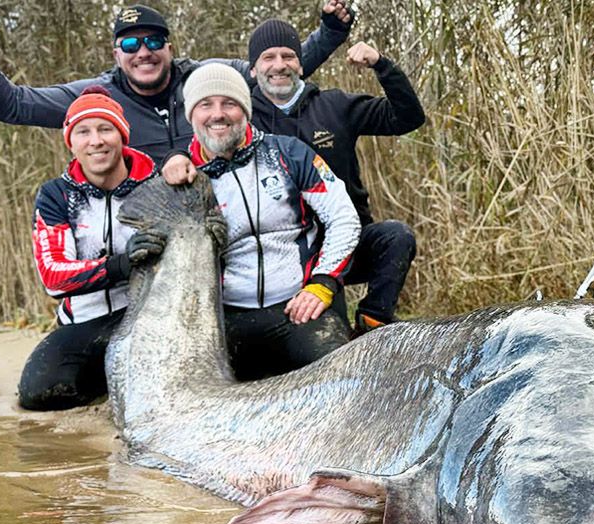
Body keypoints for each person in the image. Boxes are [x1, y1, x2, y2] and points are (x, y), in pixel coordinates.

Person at [166, 19, 425, 335]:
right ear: (252, 69)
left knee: (395, 236)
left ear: (301, 64)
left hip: (341, 237)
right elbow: (205, 132)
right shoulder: (240, 116)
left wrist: (382, 65)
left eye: (288, 56)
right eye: (268, 57)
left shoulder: (335, 105)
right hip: (286, 251)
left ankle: (373, 322)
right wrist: (176, 155)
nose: (279, 65)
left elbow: (408, 117)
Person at [0, 3, 355, 163]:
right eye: (130, 43)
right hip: (144, 228)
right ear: (117, 54)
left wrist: (331, 31)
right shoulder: (98, 95)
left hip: (220, 218)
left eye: (153, 41)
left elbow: (274, 72)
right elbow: (12, 105)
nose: (143, 52)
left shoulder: (206, 78)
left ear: (169, 46)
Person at [166, 64, 360, 380]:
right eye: (206, 105)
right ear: (191, 116)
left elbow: (343, 218)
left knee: (340, 378)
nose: (218, 114)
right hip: (226, 319)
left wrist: (322, 283)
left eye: (229, 103)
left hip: (299, 308)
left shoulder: (289, 153)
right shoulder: (182, 179)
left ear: (246, 110)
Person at [18, 87, 161, 410]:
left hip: (144, 319)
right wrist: (121, 265)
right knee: (38, 392)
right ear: (71, 143)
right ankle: (105, 385)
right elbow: (53, 276)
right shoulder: (56, 195)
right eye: (83, 132)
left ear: (122, 136)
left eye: (105, 129)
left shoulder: (154, 185)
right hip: (84, 323)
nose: (96, 141)